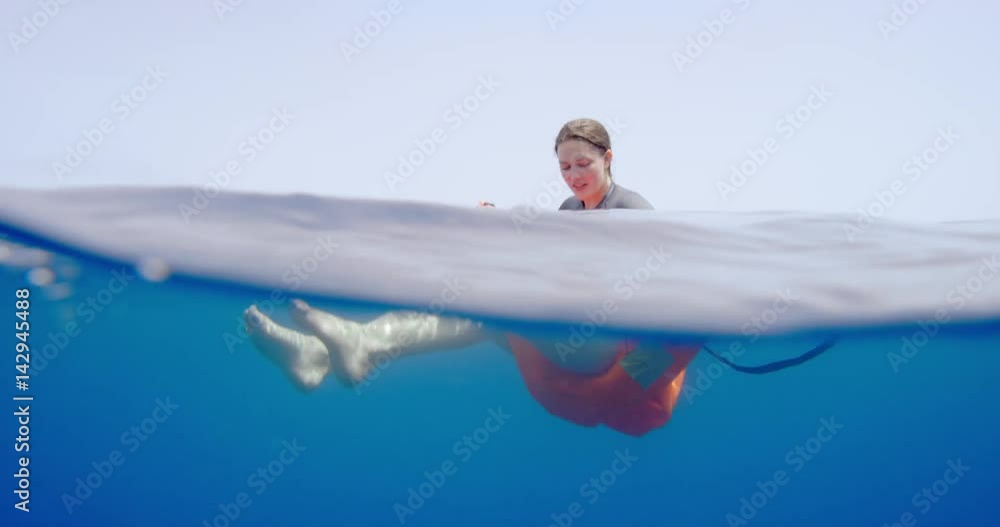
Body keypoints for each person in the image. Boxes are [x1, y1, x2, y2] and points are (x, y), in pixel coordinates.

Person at [244, 118, 698, 437]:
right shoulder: (569, 213)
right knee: (481, 312)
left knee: (493, 306)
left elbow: (674, 327)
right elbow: (554, 268)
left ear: (608, 159)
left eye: (583, 164)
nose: (573, 176)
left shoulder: (633, 214)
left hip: (628, 382)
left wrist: (615, 386)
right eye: (564, 167)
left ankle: (357, 346)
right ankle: (328, 351)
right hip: (578, 359)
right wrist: (503, 225)